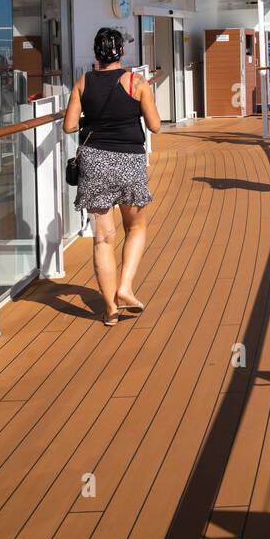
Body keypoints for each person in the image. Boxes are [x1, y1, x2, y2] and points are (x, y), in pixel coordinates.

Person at [63, 28, 161, 327]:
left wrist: (91, 117)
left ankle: (109, 310)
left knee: (103, 239)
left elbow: (69, 127)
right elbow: (155, 126)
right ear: (121, 52)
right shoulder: (137, 82)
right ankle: (125, 287)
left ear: (96, 53)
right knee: (136, 227)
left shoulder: (83, 82)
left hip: (94, 160)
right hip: (129, 160)